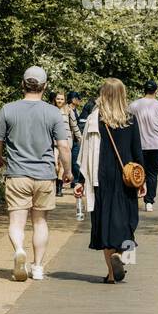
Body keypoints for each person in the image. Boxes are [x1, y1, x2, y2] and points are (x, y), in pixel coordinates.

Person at [0, 66, 72, 281]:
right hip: (44, 175)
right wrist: (68, 171)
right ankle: (37, 267)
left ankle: (19, 250)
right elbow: (63, 146)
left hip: (17, 173)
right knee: (40, 222)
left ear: (22, 85)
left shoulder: (7, 110)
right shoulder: (53, 112)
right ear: (45, 87)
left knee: (16, 221)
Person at [75, 78, 146, 283]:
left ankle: (112, 274)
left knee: (105, 221)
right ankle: (123, 256)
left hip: (102, 176)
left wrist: (81, 180)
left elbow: (86, 152)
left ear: (103, 94)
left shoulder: (94, 119)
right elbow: (137, 151)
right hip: (126, 177)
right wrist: (142, 182)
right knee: (127, 222)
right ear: (122, 94)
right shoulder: (130, 119)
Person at [128, 80, 158, 211]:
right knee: (152, 174)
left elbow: (126, 123)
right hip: (155, 145)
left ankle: (134, 197)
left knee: (137, 172)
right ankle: (149, 201)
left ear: (144, 90)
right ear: (156, 91)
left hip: (137, 146)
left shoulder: (134, 105)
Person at [68, 91, 87, 220]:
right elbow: (74, 126)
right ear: (73, 99)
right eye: (78, 99)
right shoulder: (70, 110)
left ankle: (75, 181)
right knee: (75, 161)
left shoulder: (75, 110)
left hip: (75, 139)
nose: (80, 101)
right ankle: (75, 182)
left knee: (75, 161)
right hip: (72, 139)